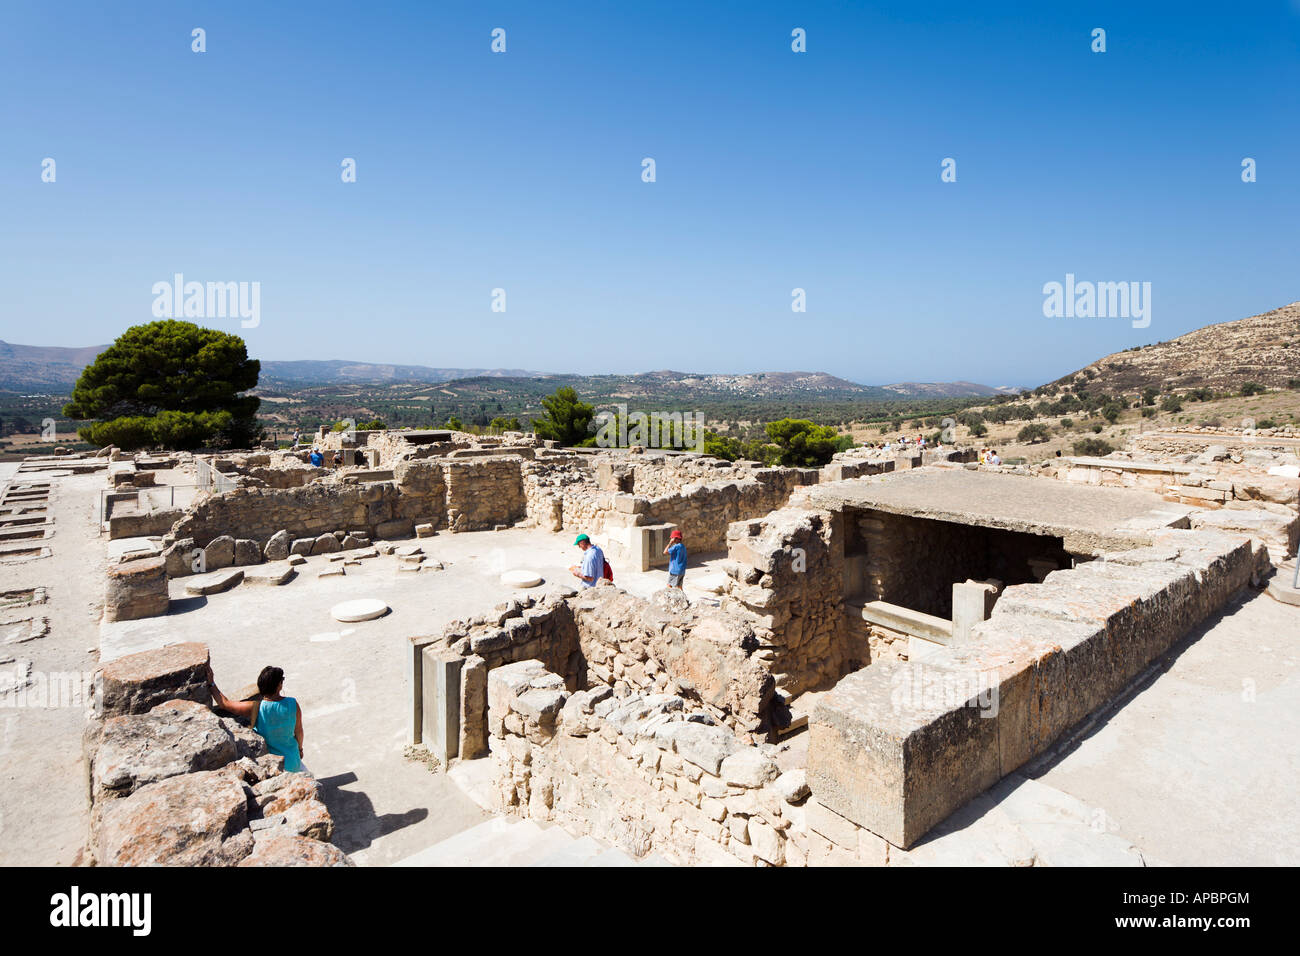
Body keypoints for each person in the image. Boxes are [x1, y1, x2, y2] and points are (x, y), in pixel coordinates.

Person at [208, 664, 306, 774]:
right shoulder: (292, 703)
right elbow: (298, 731)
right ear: (279, 686)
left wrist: (211, 683)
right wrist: (300, 750)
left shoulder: (255, 708)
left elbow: (224, 703)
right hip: (293, 761)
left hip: (273, 766)